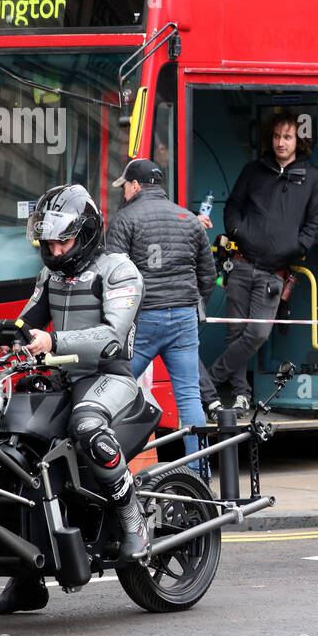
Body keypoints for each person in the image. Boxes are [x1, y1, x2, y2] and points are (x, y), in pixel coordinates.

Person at [0, 184, 147, 615]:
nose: (53, 249)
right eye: (47, 241)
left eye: (62, 240)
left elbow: (111, 337)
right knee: (17, 457)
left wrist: (52, 340)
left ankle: (132, 518)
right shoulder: (50, 275)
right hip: (60, 377)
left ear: (86, 233)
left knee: (88, 426)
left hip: (109, 377)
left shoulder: (118, 271)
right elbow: (26, 320)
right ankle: (27, 581)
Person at [202, 113, 318, 414]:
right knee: (234, 334)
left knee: (256, 333)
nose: (281, 143)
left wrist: (297, 247)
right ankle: (242, 394)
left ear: (299, 141)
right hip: (241, 265)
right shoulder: (254, 170)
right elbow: (233, 207)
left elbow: (316, 220)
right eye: (277, 136)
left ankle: (210, 379)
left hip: (274, 273)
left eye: (287, 137)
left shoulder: (310, 177)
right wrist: (237, 231)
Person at [105, 158, 215, 465]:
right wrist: (193, 305)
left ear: (136, 186)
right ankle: (199, 472)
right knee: (190, 397)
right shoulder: (189, 219)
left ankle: (103, 465)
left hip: (143, 320)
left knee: (113, 389)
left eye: (125, 186)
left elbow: (112, 277)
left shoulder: (126, 219)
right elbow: (208, 275)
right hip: (183, 318)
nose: (123, 192)